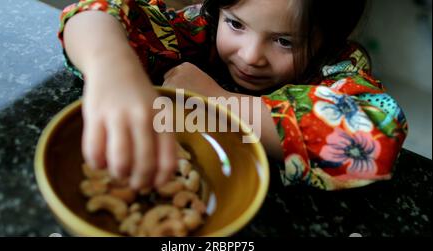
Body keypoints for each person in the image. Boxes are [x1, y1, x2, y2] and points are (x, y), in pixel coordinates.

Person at [58, 0, 408, 191]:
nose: (250, 55)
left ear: (326, 40)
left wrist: (216, 99)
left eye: (284, 41)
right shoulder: (202, 27)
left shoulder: (338, 66)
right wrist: (112, 70)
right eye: (236, 24)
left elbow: (373, 138)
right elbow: (94, 13)